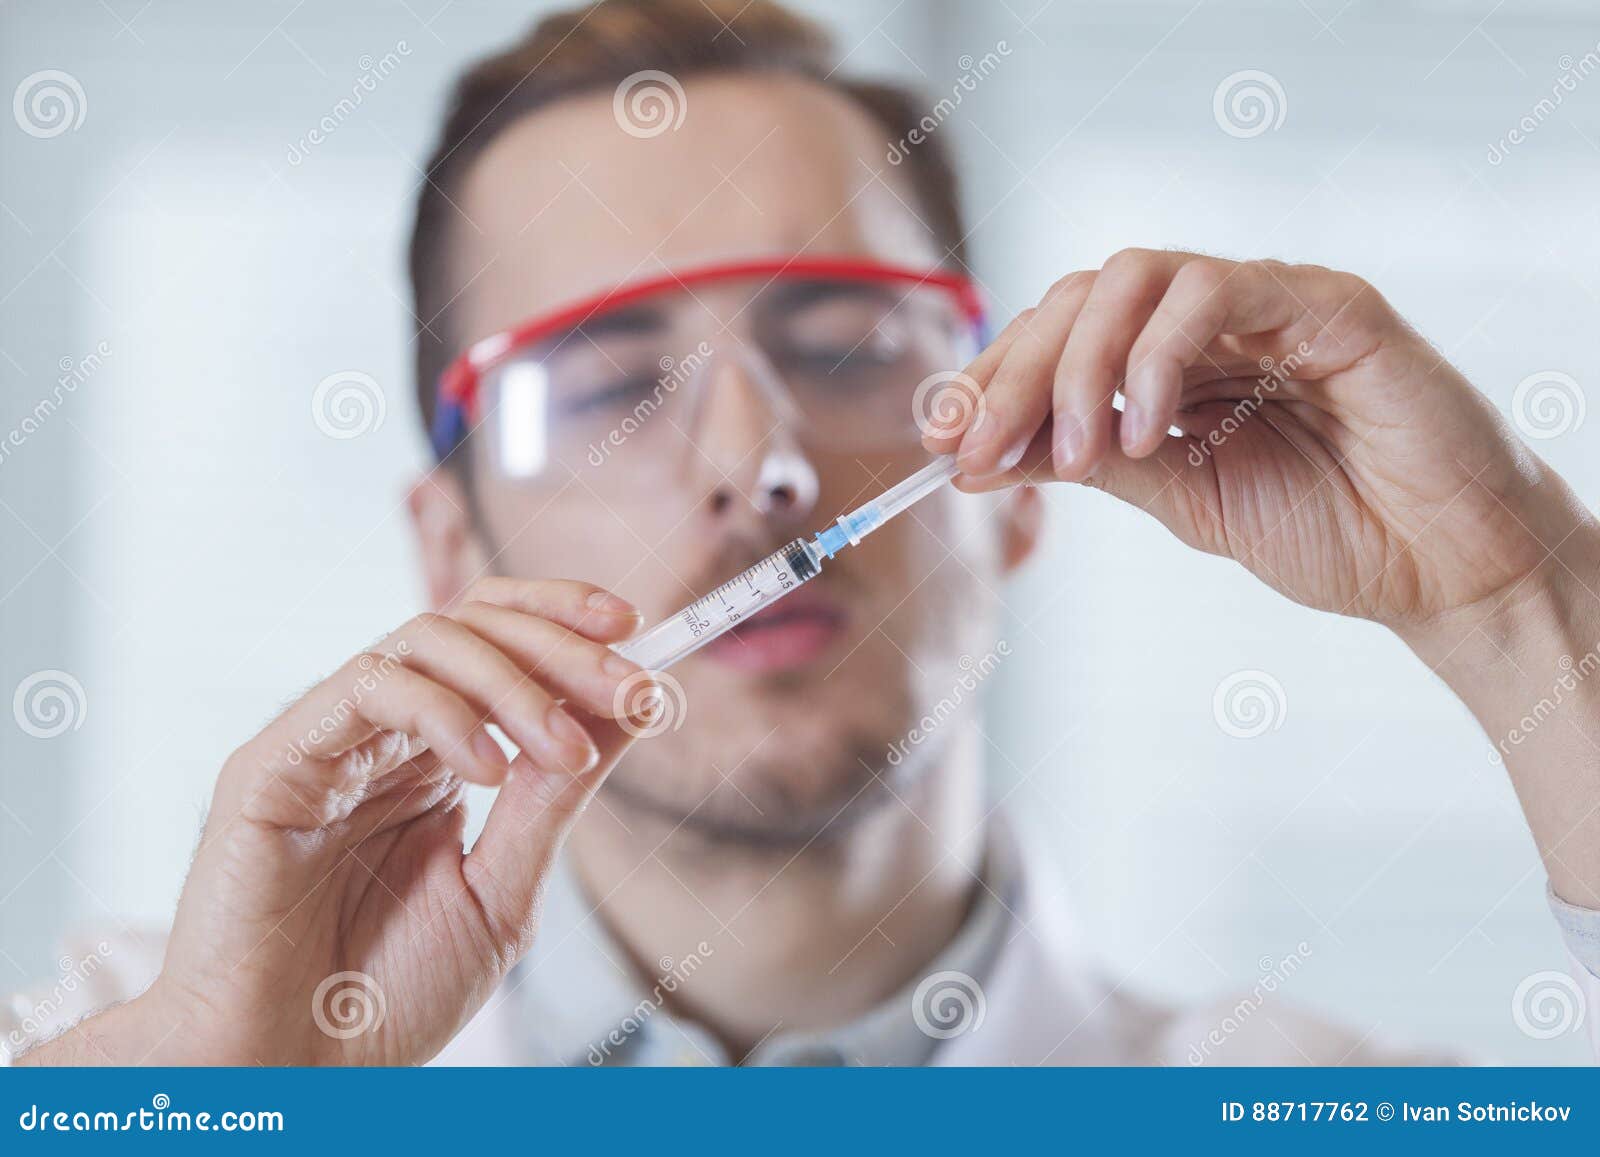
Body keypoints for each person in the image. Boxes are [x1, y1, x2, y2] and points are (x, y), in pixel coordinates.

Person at [8, 0, 1600, 1067]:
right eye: (616, 383)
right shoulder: (144, 1044)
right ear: (449, 548)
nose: (760, 463)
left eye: (843, 343)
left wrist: (1535, 606)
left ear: (1022, 466)